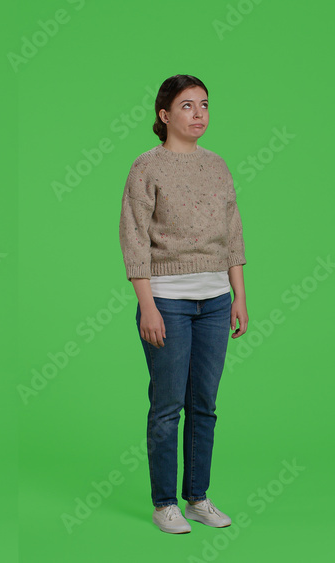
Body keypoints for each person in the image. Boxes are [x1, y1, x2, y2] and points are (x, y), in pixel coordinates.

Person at [119, 74, 248, 534]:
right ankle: (163, 503)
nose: (199, 114)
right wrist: (148, 305)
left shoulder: (217, 166)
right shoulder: (146, 167)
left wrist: (239, 295)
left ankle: (197, 497)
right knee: (168, 404)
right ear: (164, 114)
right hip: (168, 301)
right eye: (188, 106)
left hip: (215, 300)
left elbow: (232, 232)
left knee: (205, 404)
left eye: (205, 105)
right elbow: (133, 239)